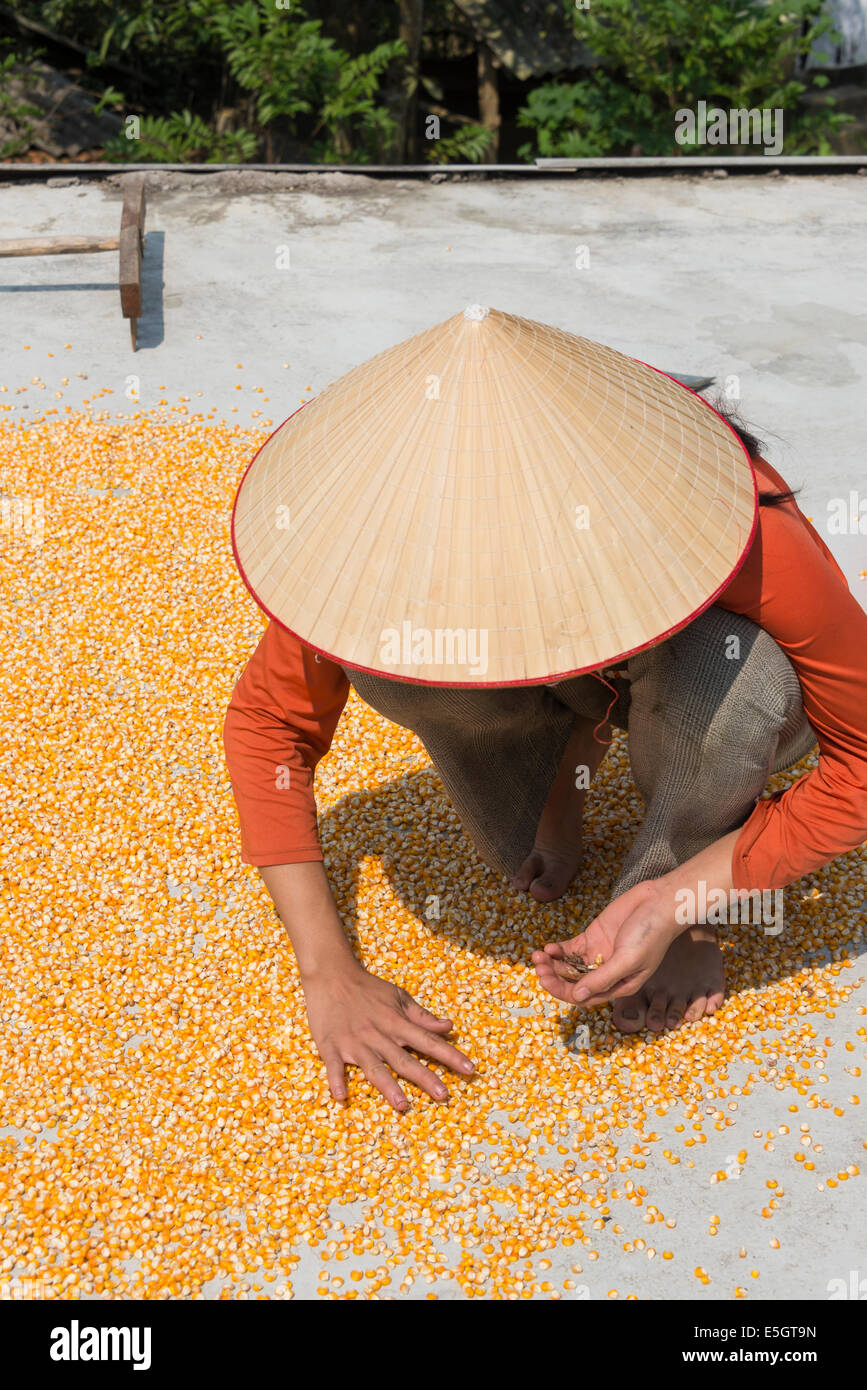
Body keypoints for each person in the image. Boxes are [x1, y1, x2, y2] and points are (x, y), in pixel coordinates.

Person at [222, 308, 867, 1112]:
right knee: (394, 666)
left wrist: (684, 898)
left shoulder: (752, 538)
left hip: (697, 674)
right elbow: (268, 731)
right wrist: (328, 972)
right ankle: (573, 767)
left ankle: (680, 869)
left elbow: (860, 763)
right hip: (595, 690)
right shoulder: (373, 546)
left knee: (732, 676)